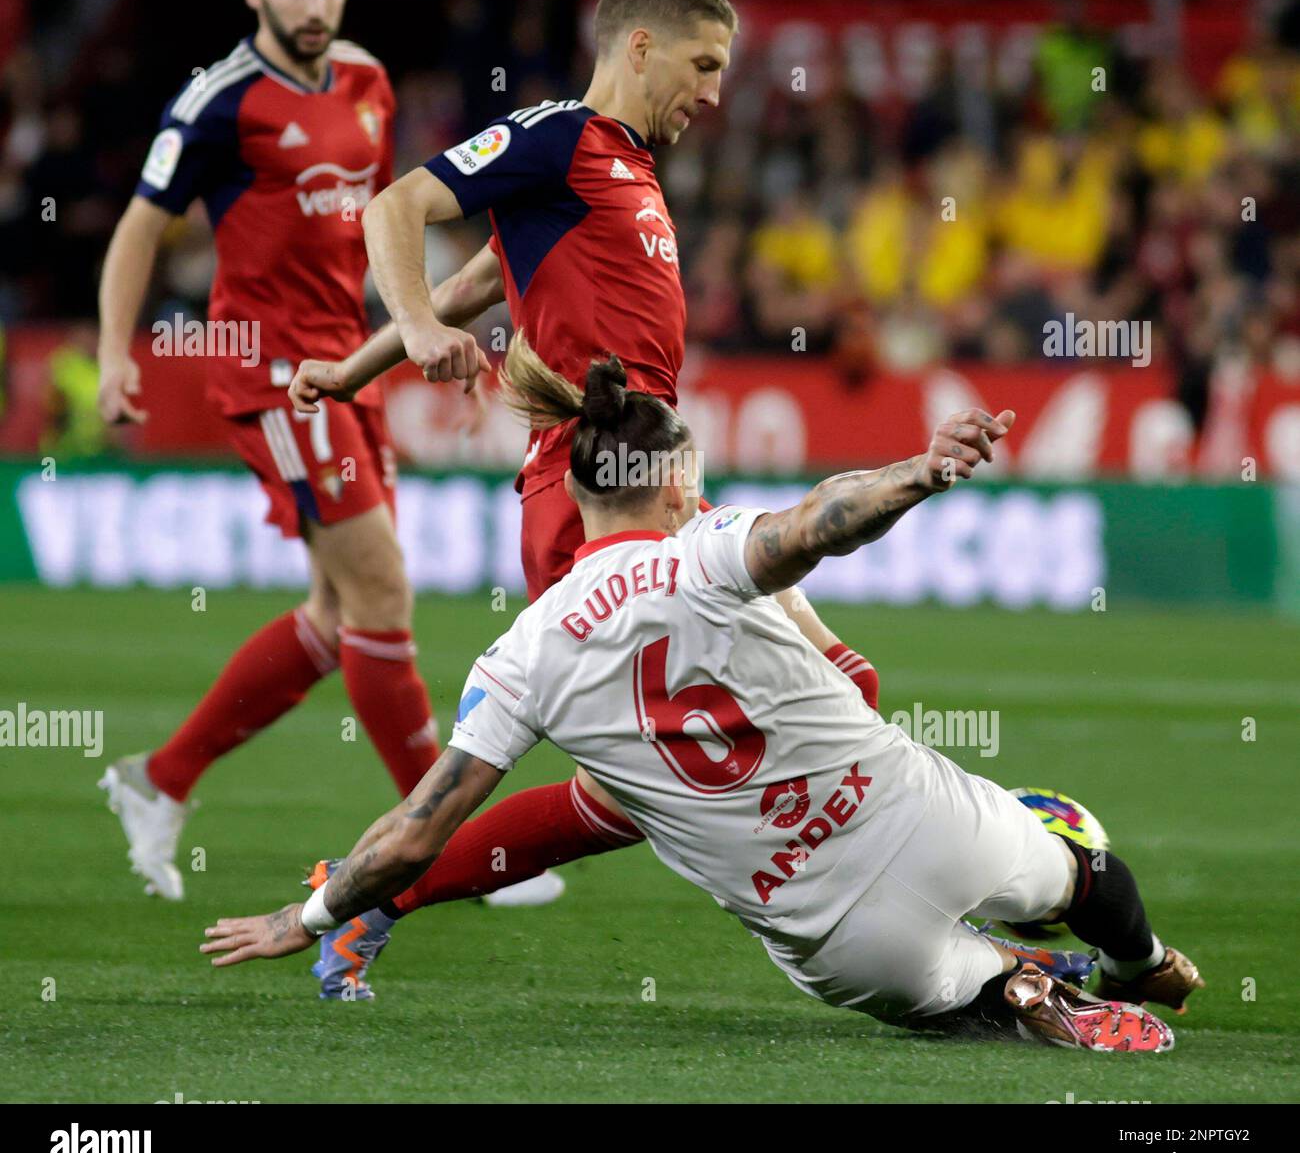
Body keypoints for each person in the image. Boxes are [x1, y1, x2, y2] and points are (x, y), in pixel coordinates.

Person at [202, 337, 1204, 1050]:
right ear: (679, 482)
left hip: (832, 934)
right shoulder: (707, 548)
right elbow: (819, 520)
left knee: (949, 991)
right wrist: (920, 471)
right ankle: (1133, 957)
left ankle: (1007, 983)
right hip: (922, 818)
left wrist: (316, 910)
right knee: (1079, 857)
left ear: (581, 495)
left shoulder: (521, 656)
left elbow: (417, 826)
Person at [284, 0, 881, 976]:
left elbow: (485, 277)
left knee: (834, 690)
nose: (713, 90)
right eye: (703, 64)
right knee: (667, 775)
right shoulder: (556, 135)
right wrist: (418, 326)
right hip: (591, 493)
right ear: (639, 46)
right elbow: (396, 205)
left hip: (661, 481)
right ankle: (372, 889)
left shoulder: (626, 168)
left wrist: (355, 364)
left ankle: (371, 889)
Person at [94, 0, 556, 908]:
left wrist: (423, 331)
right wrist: (112, 353)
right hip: (270, 375)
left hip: (349, 365)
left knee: (335, 613)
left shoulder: (366, 83)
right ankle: (438, 843)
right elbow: (139, 227)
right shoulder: (218, 102)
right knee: (384, 596)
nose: (314, 4)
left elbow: (378, 230)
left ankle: (157, 779)